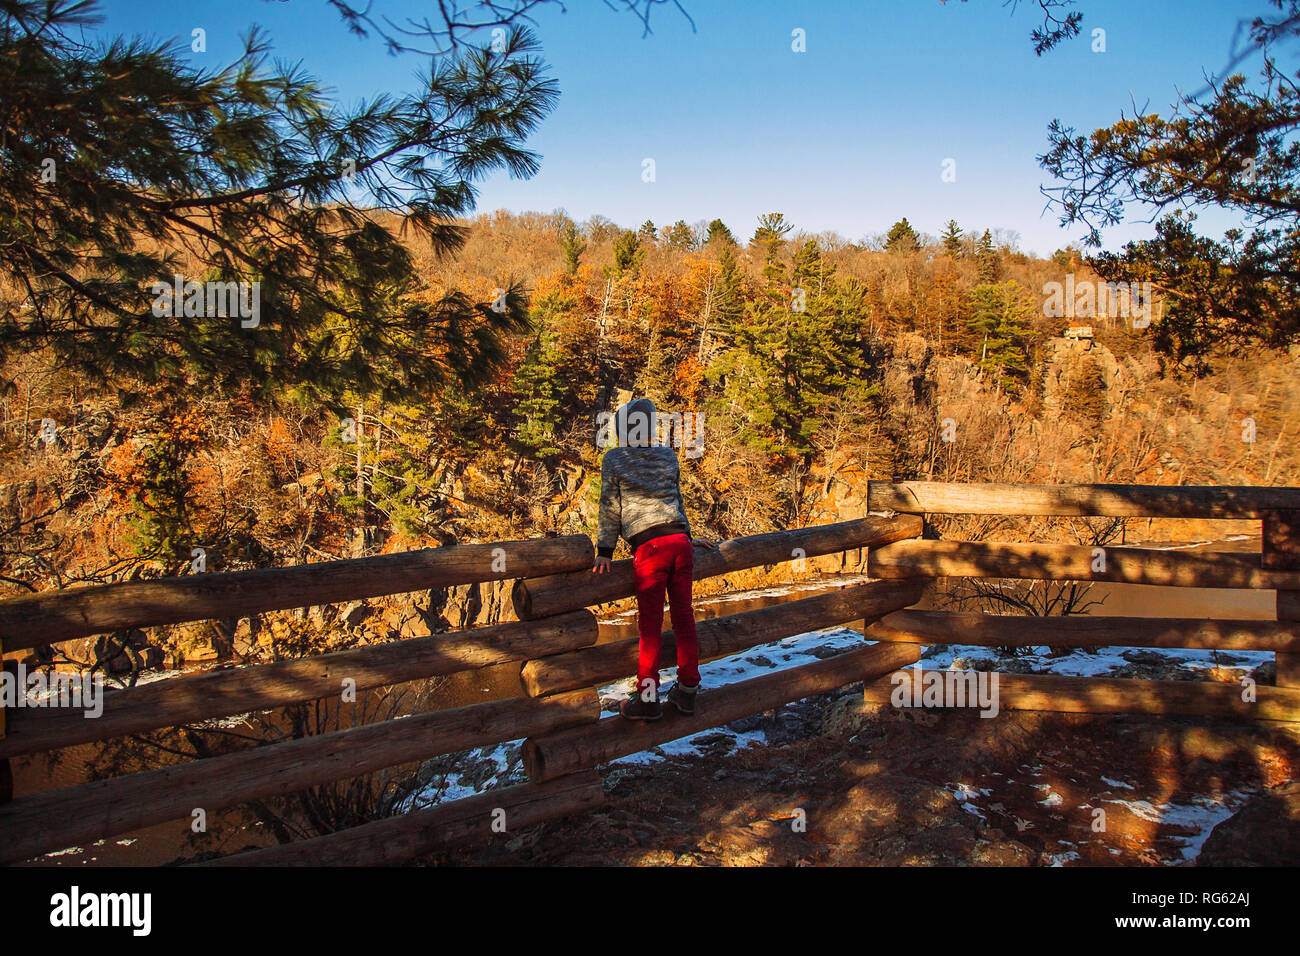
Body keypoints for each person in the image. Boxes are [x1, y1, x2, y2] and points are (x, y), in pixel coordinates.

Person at [592, 397, 714, 720]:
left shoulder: (615, 459)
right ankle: (688, 691)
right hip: (679, 544)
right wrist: (687, 536)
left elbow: (609, 507)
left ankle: (648, 700)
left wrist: (604, 550)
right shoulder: (668, 455)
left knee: (650, 628)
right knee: (684, 619)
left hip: (651, 549)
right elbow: (676, 499)